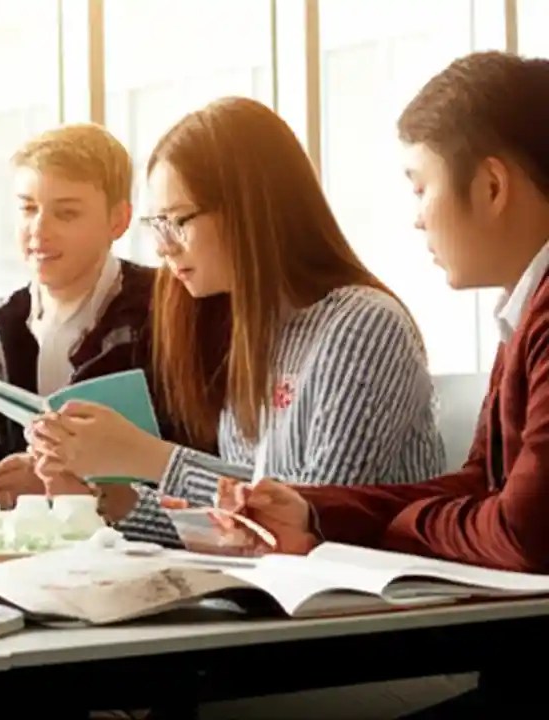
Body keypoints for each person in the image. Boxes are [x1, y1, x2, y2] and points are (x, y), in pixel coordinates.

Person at [28, 97, 446, 547]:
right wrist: (108, 501)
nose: (164, 248)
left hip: (368, 607)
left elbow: (312, 520)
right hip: (284, 604)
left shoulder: (363, 325)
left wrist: (149, 458)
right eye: (157, 224)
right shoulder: (254, 333)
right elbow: (234, 534)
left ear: (251, 207)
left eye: (178, 221)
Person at [212, 52, 549, 574]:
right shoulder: (523, 309)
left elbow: (526, 531)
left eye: (420, 188)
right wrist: (314, 512)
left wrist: (402, 526)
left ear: (490, 187)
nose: (416, 220)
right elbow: (485, 483)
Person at [0, 123, 230, 511]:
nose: (39, 229)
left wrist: (57, 479)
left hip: (148, 545)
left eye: (66, 213)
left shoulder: (176, 307)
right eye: (27, 208)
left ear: (118, 221)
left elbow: (207, 459)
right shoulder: (10, 319)